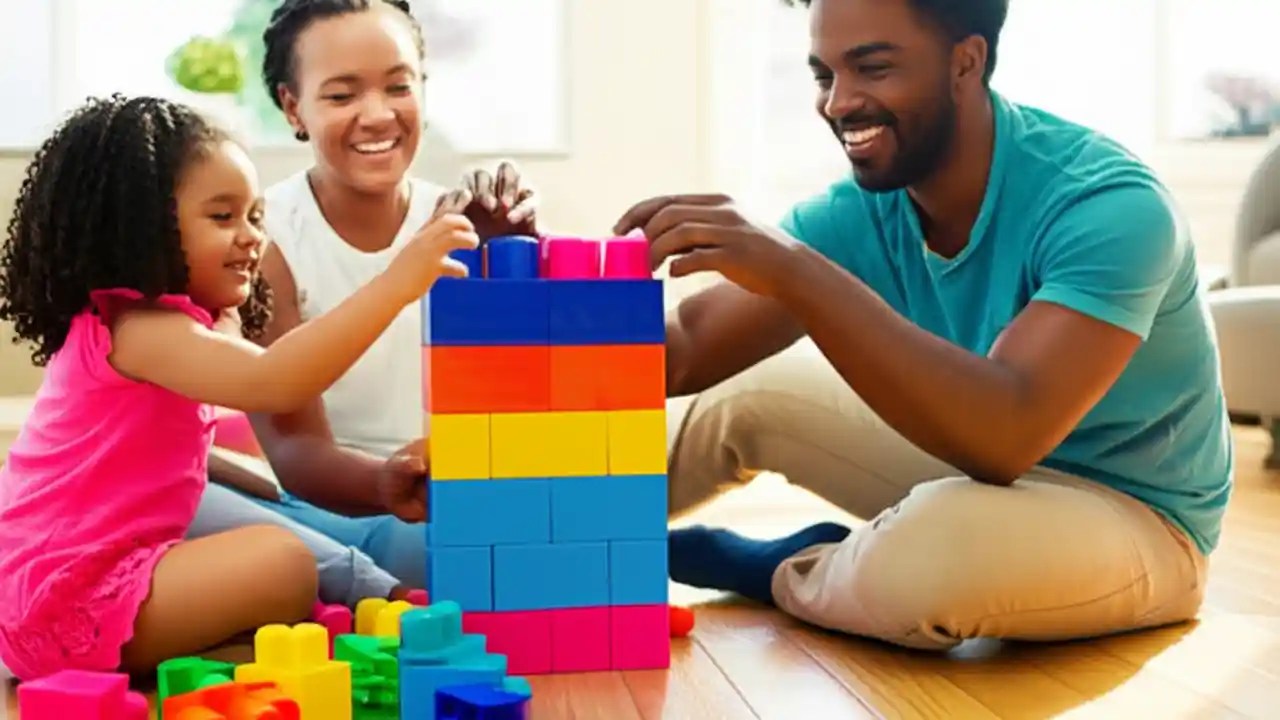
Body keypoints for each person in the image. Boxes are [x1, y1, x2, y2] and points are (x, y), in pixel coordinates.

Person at [619, 0, 1232, 650]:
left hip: (1139, 520)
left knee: (923, 564)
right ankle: (555, 537)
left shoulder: (1111, 207)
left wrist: (796, 274)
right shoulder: (867, 209)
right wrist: (521, 285)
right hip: (988, 475)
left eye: (873, 69)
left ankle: (779, 565)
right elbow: (682, 353)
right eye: (825, 75)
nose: (838, 103)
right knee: (743, 397)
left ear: (966, 61)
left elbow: (1007, 434)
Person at [0, 94, 478, 679]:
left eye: (255, 214)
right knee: (283, 563)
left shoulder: (164, 329)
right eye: (223, 217)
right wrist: (398, 281)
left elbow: (167, 466)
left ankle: (262, 633)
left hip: (94, 578)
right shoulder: (141, 331)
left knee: (275, 555)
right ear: (139, 229)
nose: (252, 235)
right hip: (65, 606)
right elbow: (276, 380)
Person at [196, 0, 541, 589]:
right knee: (434, 549)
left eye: (399, 87)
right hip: (341, 501)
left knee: (540, 525)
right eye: (341, 95)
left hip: (464, 489)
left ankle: (690, 551)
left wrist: (512, 273)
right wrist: (389, 482)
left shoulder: (461, 219)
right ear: (292, 107)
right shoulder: (266, 239)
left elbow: (530, 402)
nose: (377, 115)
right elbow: (296, 449)